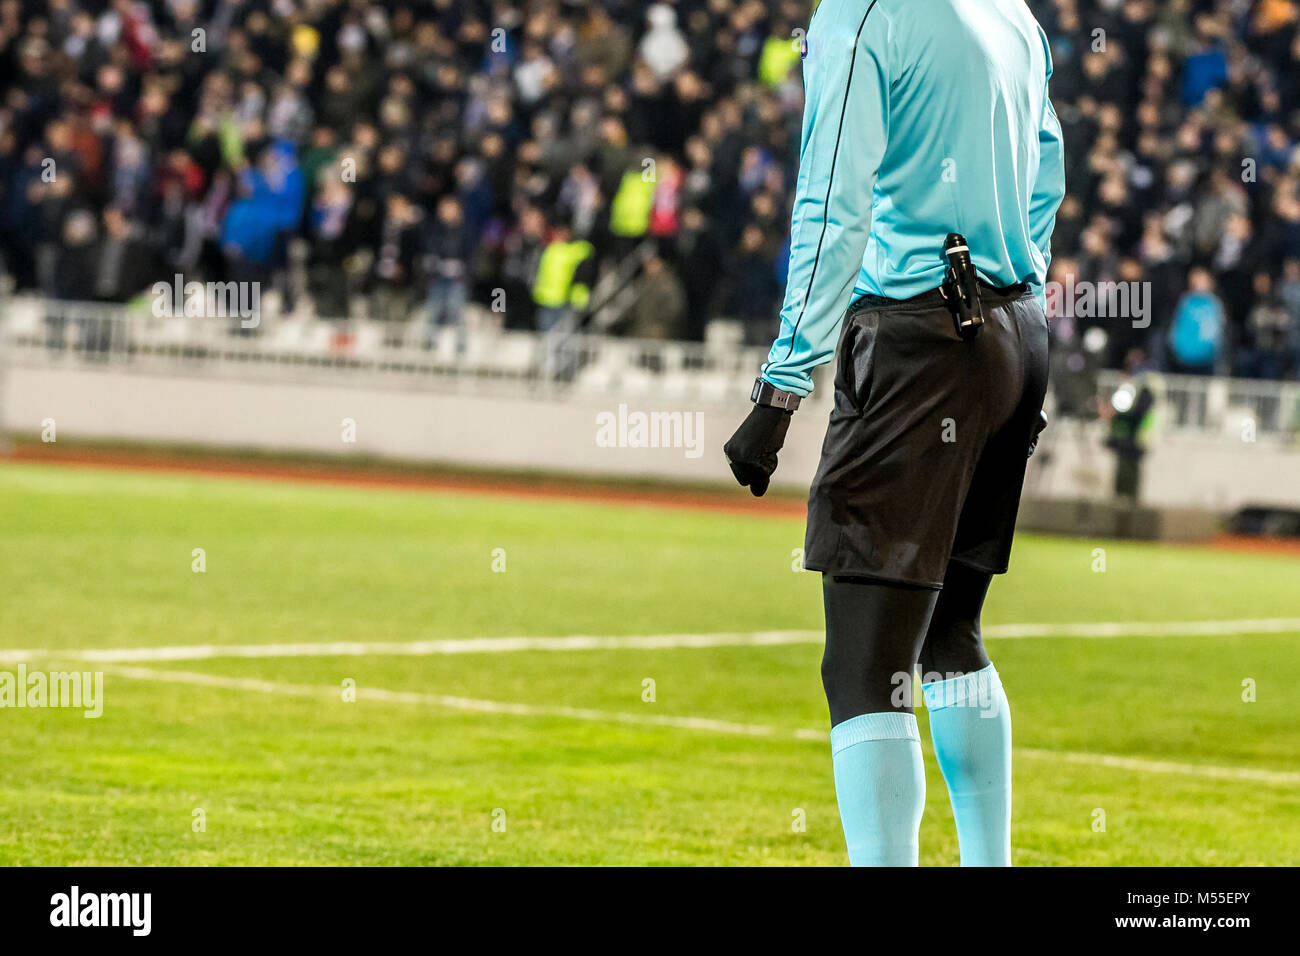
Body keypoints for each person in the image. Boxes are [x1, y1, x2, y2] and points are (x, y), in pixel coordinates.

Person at [723, 0, 1064, 866]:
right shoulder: (1010, 12)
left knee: (866, 670)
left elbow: (831, 203)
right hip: (1013, 330)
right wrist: (1019, 305)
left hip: (922, 341)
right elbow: (1047, 172)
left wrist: (781, 383)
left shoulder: (863, 14)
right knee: (951, 641)